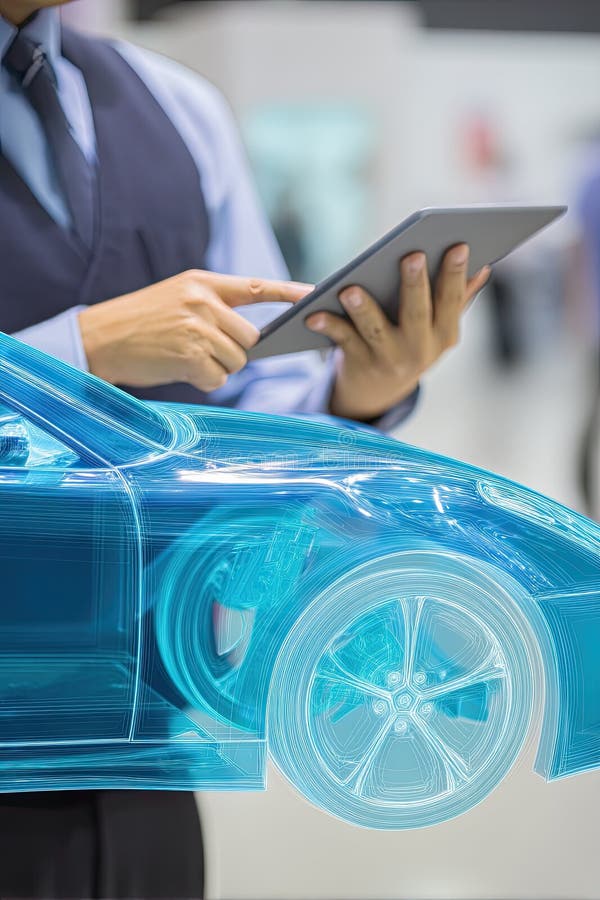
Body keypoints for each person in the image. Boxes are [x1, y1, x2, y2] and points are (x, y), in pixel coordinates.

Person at [0, 1, 490, 897]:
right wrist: (76, 351)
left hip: (145, 727)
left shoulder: (178, 106)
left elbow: (253, 390)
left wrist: (360, 389)